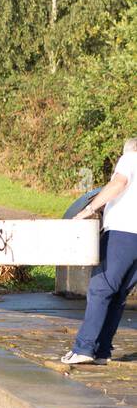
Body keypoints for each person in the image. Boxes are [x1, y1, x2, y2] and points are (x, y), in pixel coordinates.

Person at [61, 138, 137, 365]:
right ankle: (102, 350)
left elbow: (119, 183)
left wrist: (90, 208)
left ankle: (84, 348)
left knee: (101, 288)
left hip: (123, 232)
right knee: (119, 293)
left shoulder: (131, 158)